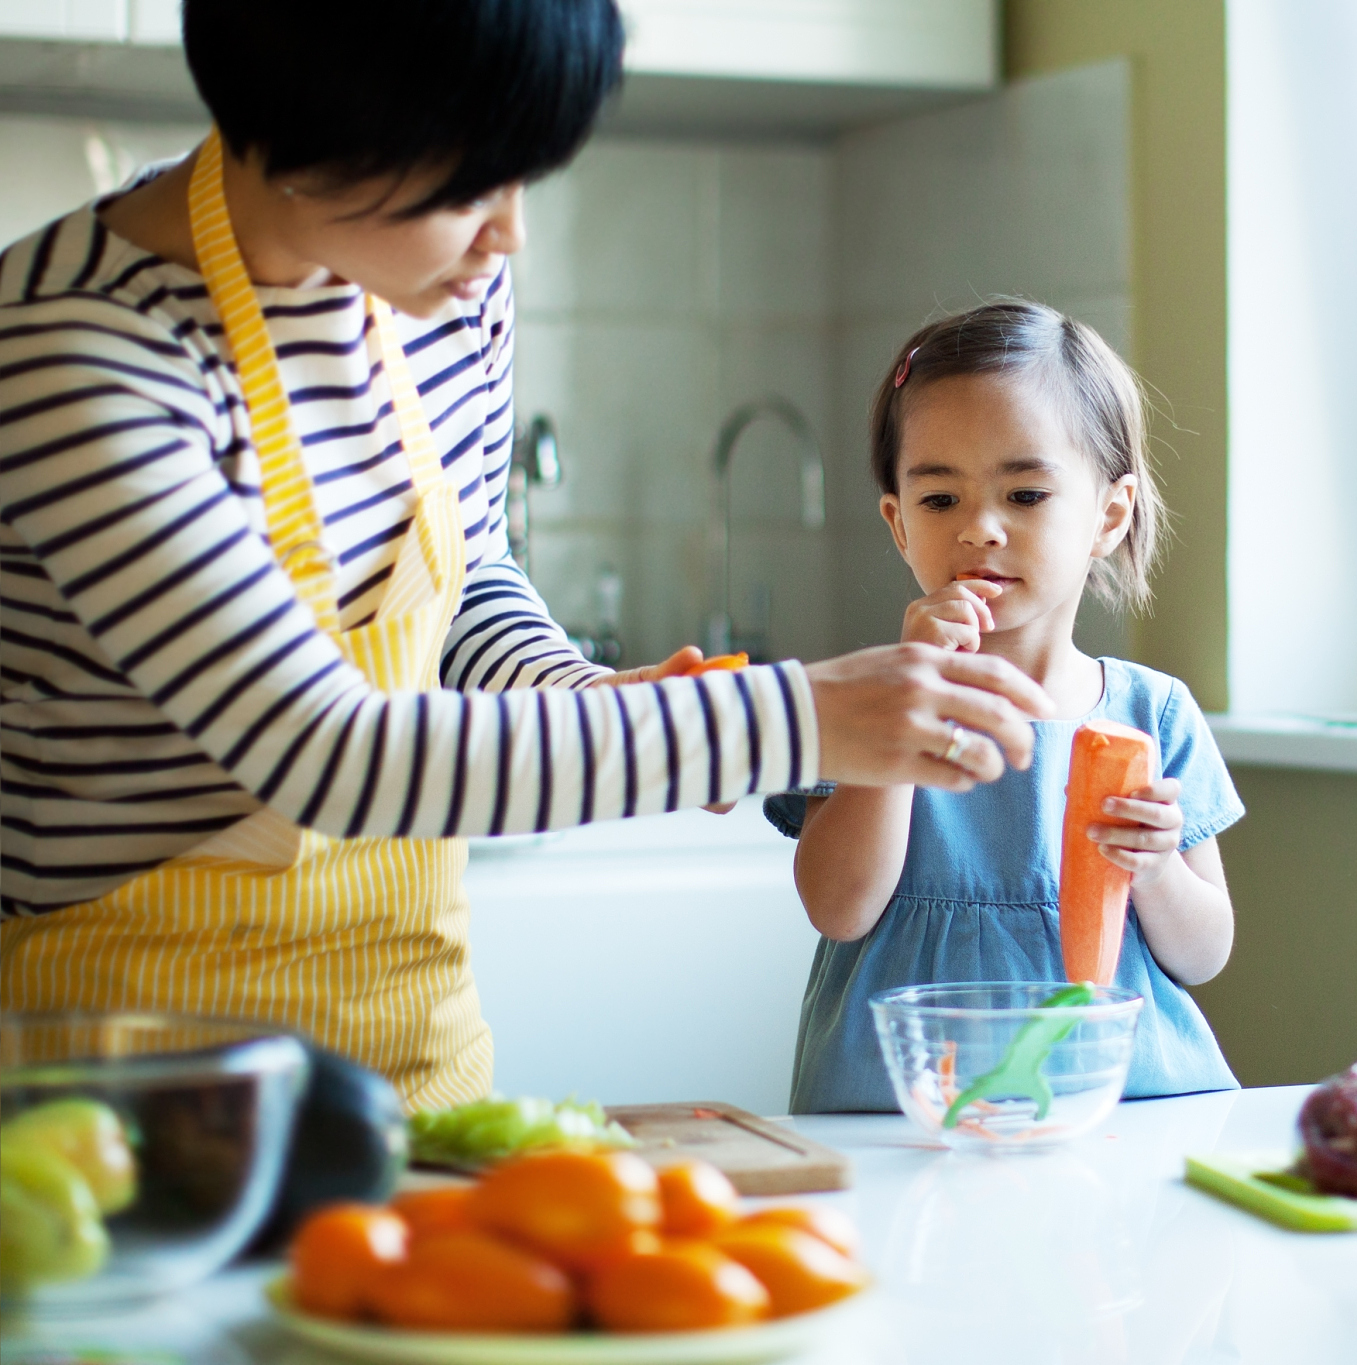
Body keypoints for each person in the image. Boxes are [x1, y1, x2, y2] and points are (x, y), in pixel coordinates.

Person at [0, 0, 1052, 1109]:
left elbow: (461, 581)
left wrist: (581, 692)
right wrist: (798, 717)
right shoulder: (75, 348)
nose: (510, 235)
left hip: (410, 1047)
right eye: (468, 182)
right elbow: (319, 751)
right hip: (125, 1078)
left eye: (523, 175)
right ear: (308, 118)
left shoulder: (443, 291)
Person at [765, 301, 1242, 1113]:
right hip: (905, 1113)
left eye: (1024, 494)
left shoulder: (1152, 713)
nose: (981, 529)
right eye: (941, 501)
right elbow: (840, 908)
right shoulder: (866, 701)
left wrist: (1155, 866)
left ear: (1109, 515)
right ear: (898, 523)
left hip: (1125, 1106)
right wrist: (900, 716)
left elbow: (1204, 954)